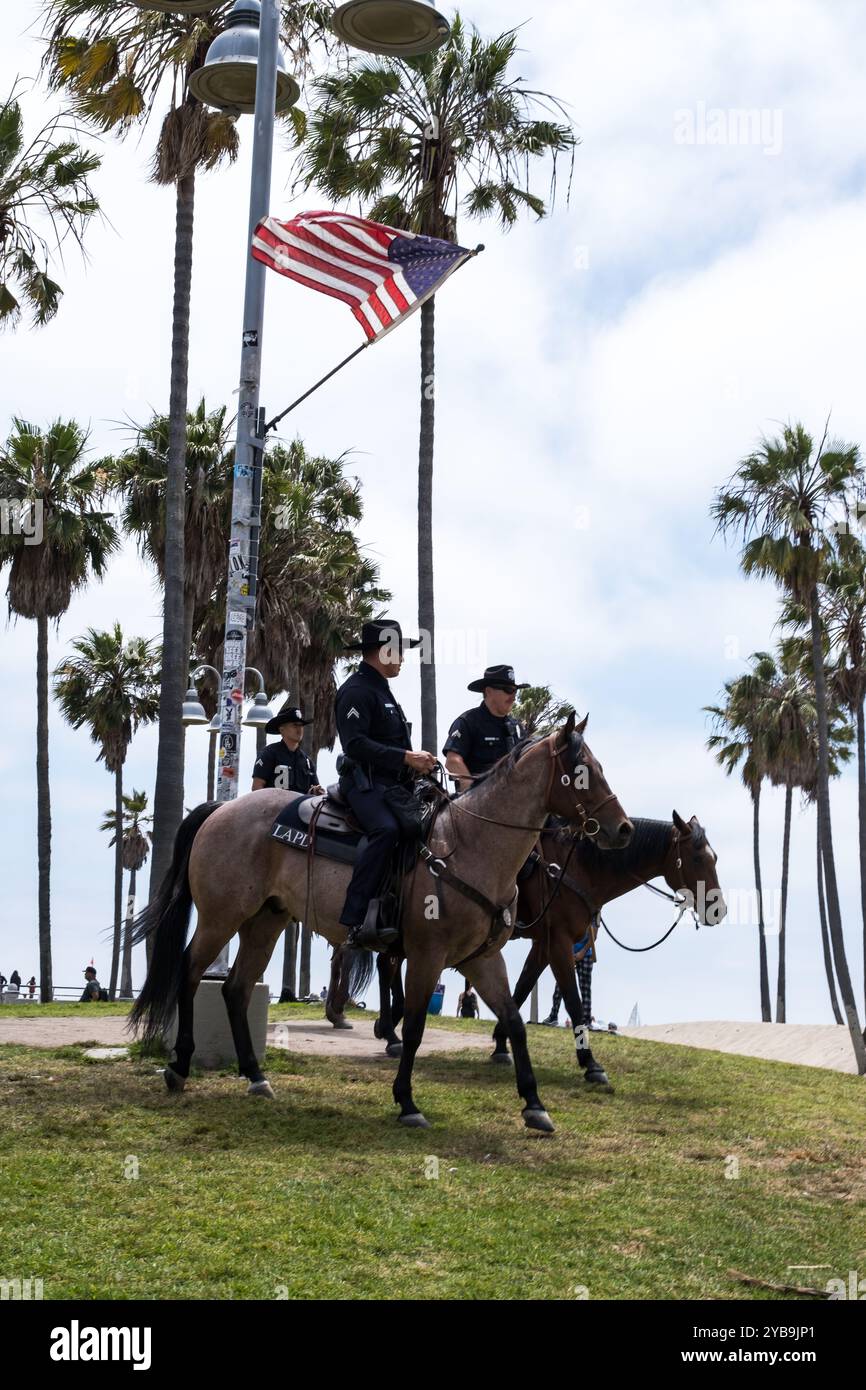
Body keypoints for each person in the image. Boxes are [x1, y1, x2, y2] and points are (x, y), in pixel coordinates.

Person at [335, 619, 436, 951]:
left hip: (392, 785)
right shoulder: (356, 690)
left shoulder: (380, 688)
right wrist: (407, 757)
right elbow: (355, 745)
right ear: (382, 651)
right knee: (386, 831)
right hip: (363, 783)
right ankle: (356, 919)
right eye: (399, 652)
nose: (403, 659)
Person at [443, 664, 528, 792]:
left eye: (515, 691)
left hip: (515, 800)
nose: (513, 697)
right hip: (478, 804)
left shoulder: (517, 727)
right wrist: (474, 793)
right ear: (488, 691)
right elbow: (453, 761)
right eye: (508, 690)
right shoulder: (468, 722)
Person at [251, 704, 324, 794]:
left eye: (301, 725)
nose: (299, 729)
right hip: (275, 807)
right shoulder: (269, 753)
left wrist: (316, 791)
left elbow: (315, 788)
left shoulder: (307, 762)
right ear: (282, 729)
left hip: (300, 807)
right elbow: (257, 787)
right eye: (294, 725)